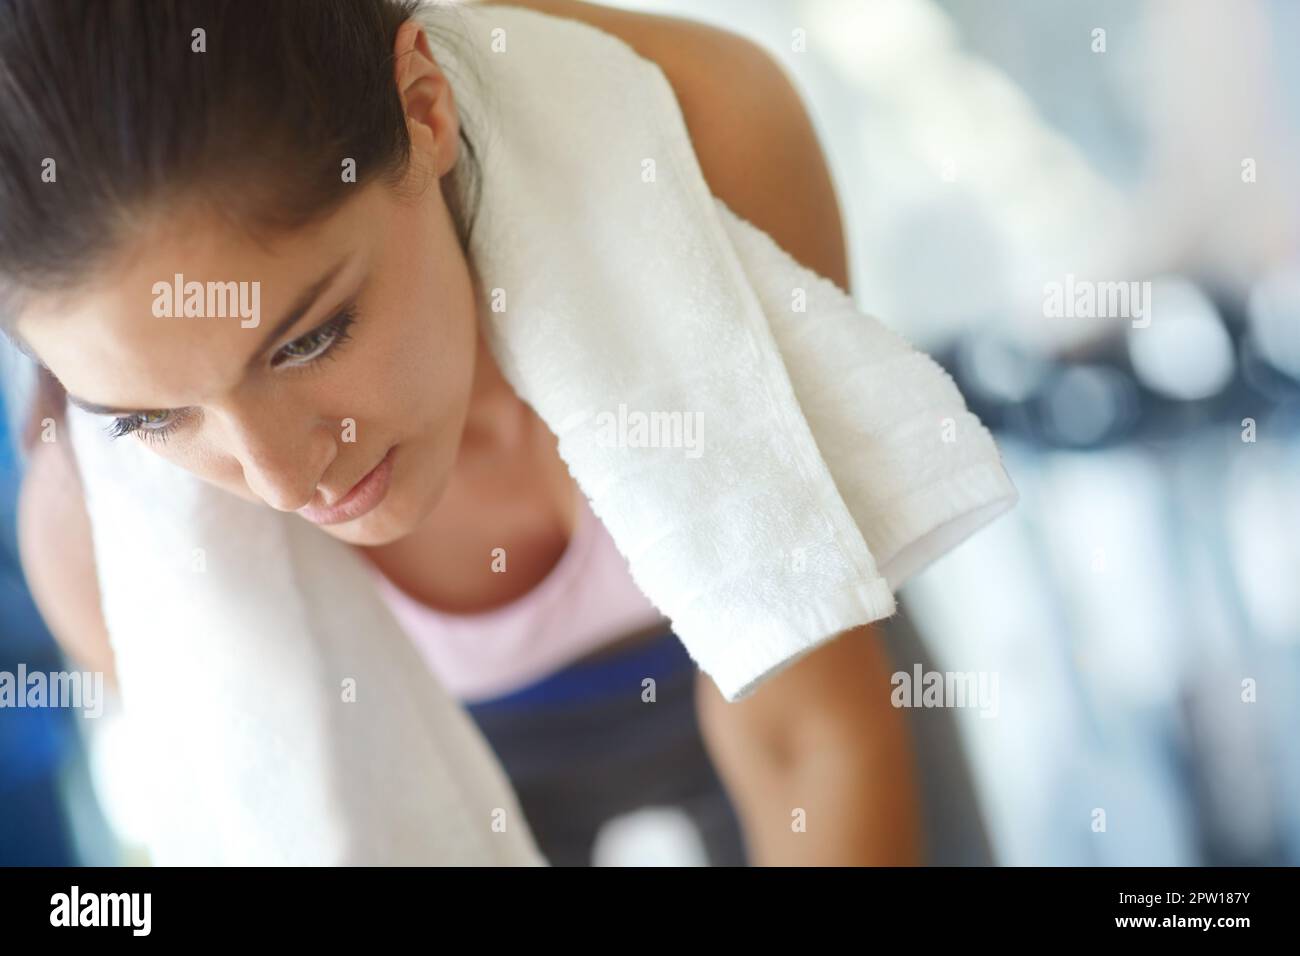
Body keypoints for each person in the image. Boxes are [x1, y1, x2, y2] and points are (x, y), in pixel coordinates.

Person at [4, 0, 921, 865]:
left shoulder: (706, 147)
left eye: (310, 338)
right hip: (438, 744)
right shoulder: (95, 546)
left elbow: (807, 733)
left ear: (424, 112)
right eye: (151, 418)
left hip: (792, 660)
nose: (284, 480)